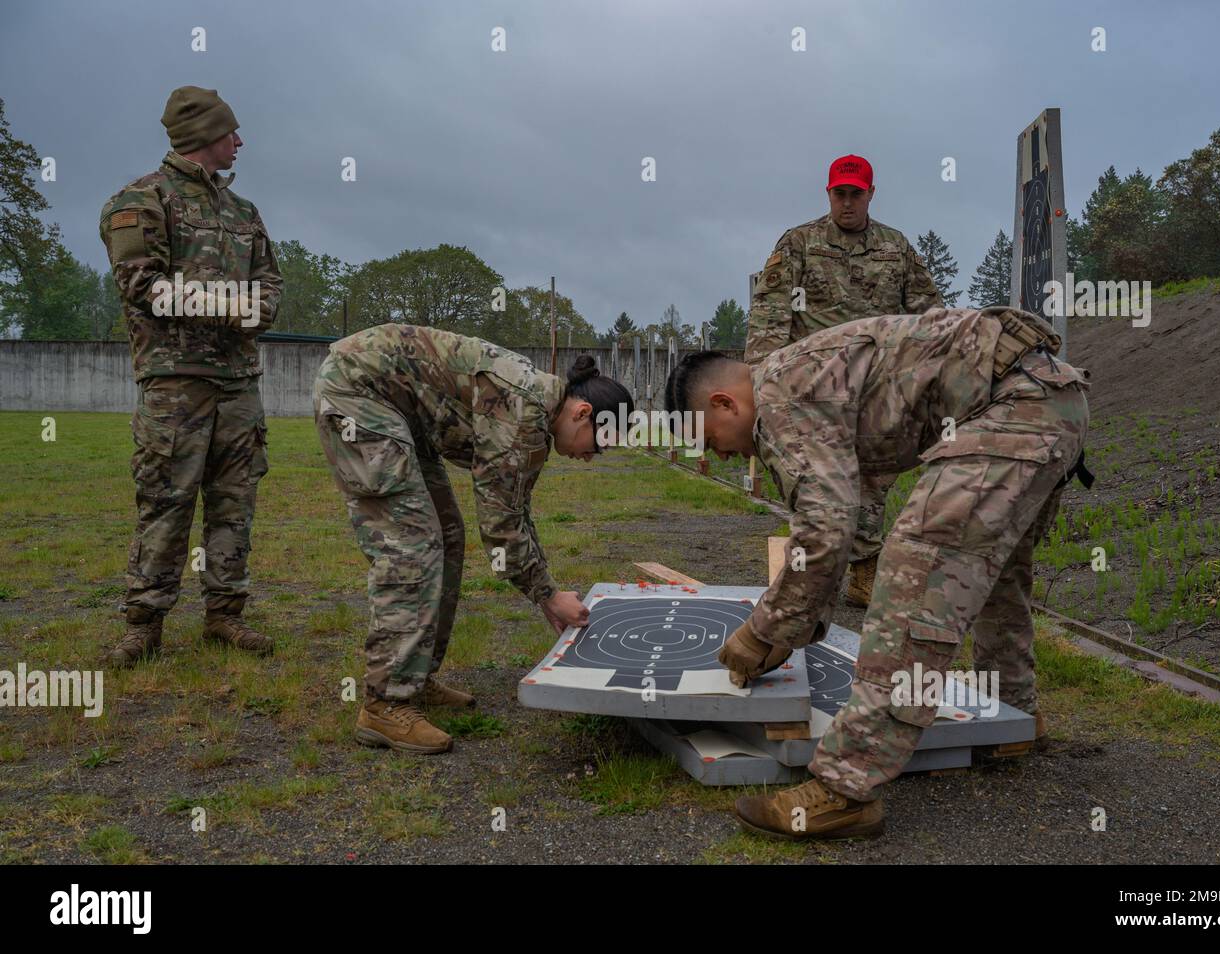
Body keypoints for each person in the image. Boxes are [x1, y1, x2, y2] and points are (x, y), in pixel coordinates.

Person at [666, 306, 1091, 838]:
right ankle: (1011, 716)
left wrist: (763, 632)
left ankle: (844, 789)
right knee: (991, 576)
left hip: (1013, 406)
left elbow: (824, 533)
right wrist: (794, 629)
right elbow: (840, 520)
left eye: (712, 440)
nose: (724, 456)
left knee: (915, 576)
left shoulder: (778, 401)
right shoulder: (804, 378)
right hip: (1050, 398)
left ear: (723, 403)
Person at [313, 325, 633, 754]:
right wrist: (547, 594)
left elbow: (514, 508)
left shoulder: (536, 414)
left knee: (446, 535)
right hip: (357, 394)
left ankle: (415, 678)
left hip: (395, 407)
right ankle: (385, 703)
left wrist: (546, 591)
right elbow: (499, 527)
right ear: (582, 412)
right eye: (600, 443)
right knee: (412, 545)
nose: (592, 457)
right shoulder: (523, 414)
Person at [99, 86, 282, 667]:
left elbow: (271, 288)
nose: (240, 142)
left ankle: (225, 615)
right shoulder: (138, 200)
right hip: (174, 384)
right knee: (165, 501)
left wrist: (255, 305)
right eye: (232, 133)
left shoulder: (244, 212)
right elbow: (140, 285)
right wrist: (232, 303)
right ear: (205, 135)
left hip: (238, 382)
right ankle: (143, 624)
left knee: (234, 503)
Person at [746, 155, 944, 608]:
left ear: (871, 194)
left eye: (857, 194)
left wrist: (934, 370)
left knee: (873, 478)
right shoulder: (799, 244)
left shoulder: (896, 249)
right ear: (829, 194)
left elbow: (928, 314)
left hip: (878, 386)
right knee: (817, 478)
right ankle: (813, 574)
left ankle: (863, 572)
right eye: (840, 194)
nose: (848, 203)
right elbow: (770, 313)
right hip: (814, 388)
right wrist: (762, 379)